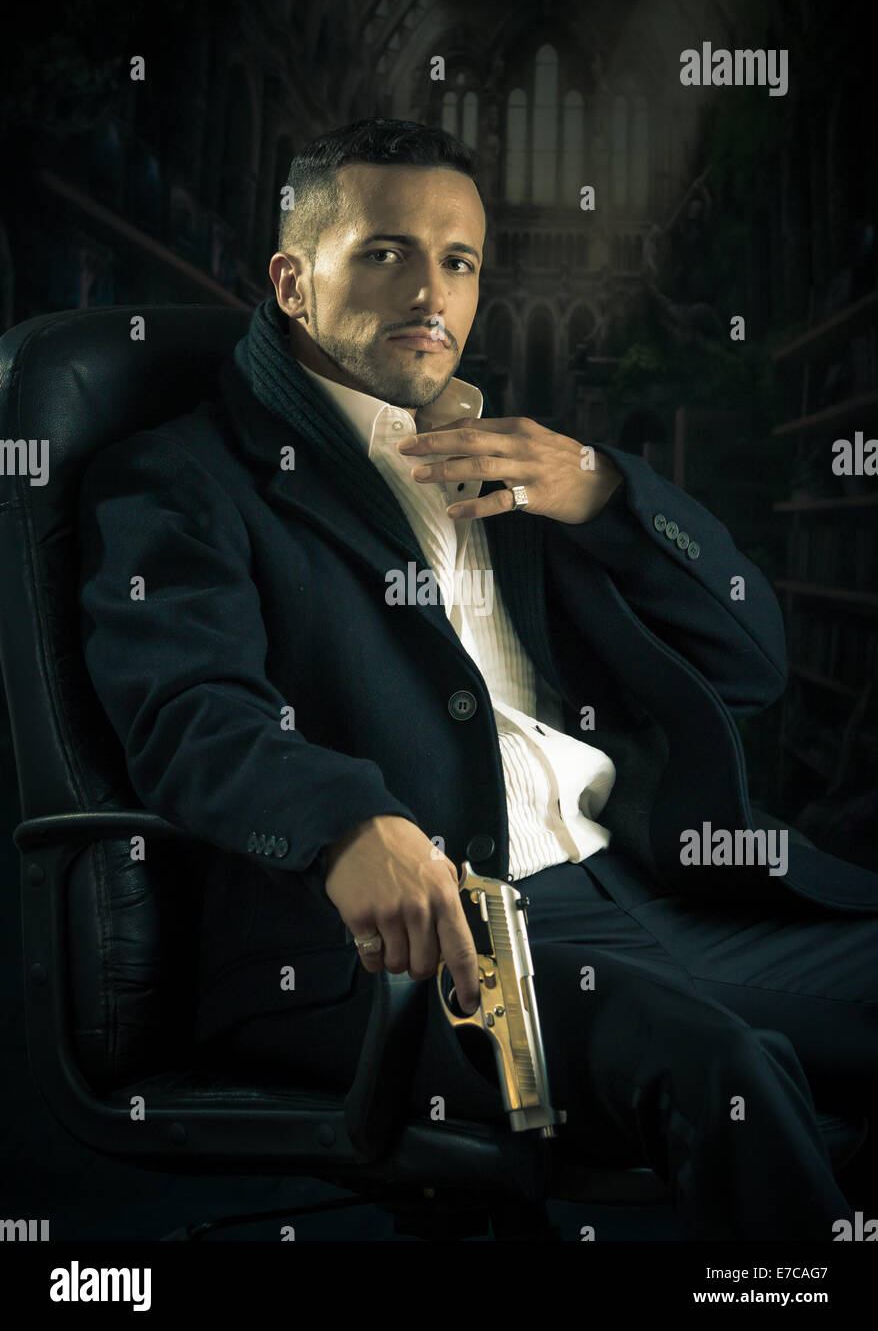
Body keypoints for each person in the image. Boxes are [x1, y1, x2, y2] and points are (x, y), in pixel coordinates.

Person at [77, 118, 878, 1241]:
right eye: (385, 253)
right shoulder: (181, 479)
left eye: (457, 262)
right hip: (401, 953)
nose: (431, 293)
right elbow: (185, 715)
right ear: (291, 281)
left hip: (636, 889)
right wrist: (347, 816)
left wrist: (605, 492)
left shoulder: (515, 470)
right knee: (722, 1070)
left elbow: (750, 660)